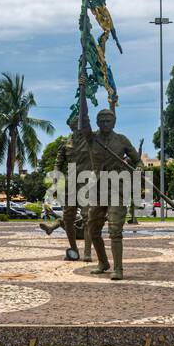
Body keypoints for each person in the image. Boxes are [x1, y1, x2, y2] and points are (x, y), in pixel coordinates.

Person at [75, 82, 140, 280]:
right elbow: (83, 118)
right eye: (101, 121)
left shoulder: (122, 140)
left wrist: (137, 170)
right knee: (93, 229)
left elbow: (137, 161)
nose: (104, 123)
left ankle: (118, 269)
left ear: (114, 122)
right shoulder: (91, 138)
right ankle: (103, 262)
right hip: (97, 189)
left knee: (115, 229)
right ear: (97, 122)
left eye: (108, 121)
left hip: (117, 189)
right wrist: (83, 90)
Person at [39, 115, 91, 260]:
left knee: (87, 218)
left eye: (81, 126)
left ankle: (87, 252)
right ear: (71, 127)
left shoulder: (90, 141)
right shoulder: (65, 144)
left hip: (87, 182)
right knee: (68, 219)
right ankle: (74, 250)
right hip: (70, 183)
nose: (78, 129)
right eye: (76, 126)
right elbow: (58, 162)